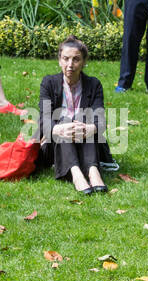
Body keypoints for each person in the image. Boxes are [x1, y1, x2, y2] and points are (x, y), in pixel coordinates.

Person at [35, 36, 113, 194]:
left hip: (86, 140)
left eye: (76, 60)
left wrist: (90, 128)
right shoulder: (49, 83)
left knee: (85, 120)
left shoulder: (94, 84)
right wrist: (59, 129)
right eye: (66, 59)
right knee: (64, 122)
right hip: (56, 144)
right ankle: (77, 174)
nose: (70, 65)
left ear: (84, 62)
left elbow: (101, 119)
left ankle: (93, 172)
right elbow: (44, 119)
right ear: (59, 60)